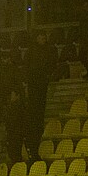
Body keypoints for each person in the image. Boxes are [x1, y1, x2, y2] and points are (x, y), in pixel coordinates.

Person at [23, 29, 58, 161]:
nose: (43, 39)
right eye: (41, 36)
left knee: (39, 110)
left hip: (41, 82)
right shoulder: (32, 51)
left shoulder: (48, 50)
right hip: (35, 83)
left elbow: (52, 64)